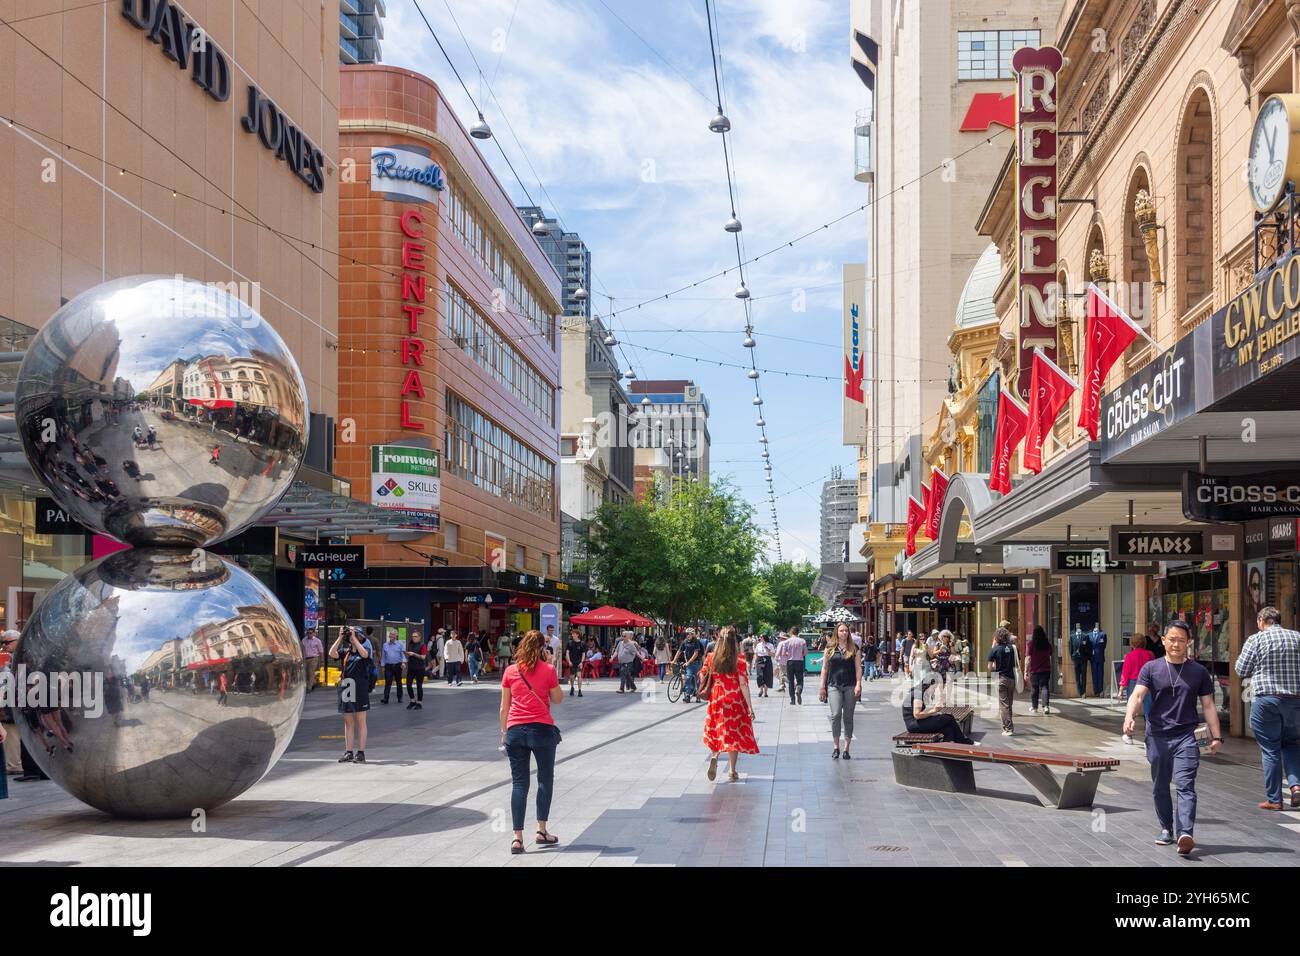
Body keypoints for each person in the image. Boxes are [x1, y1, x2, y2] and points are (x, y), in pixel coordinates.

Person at [1124, 620, 1222, 855]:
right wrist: (1130, 717)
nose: (1176, 644)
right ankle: (1166, 828)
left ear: (1189, 642)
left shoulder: (1198, 672)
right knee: (1160, 785)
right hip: (1157, 735)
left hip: (1186, 736)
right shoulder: (1151, 668)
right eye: (1172, 639)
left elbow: (1208, 705)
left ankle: (1185, 833)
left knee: (1186, 785)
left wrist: (1216, 736)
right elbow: (1137, 696)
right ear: (1164, 641)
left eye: (1181, 640)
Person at [499, 629, 563, 854]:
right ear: (541, 649)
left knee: (519, 784)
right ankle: (541, 830)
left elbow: (504, 707)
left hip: (515, 731)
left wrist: (504, 732)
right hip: (542, 731)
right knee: (545, 780)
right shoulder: (549, 669)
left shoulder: (510, 671)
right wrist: (550, 664)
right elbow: (557, 699)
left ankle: (517, 838)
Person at [1234, 606, 1300, 810]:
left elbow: (1241, 669)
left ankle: (1274, 799)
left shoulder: (1256, 639)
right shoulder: (1297, 637)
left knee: (1270, 748)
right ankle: (1296, 786)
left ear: (1261, 621)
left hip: (1266, 701)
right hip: (1295, 701)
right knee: (1292, 744)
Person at [702, 626, 758, 782]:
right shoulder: (739, 659)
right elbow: (743, 684)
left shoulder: (711, 657)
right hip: (734, 699)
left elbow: (703, 674)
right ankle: (732, 771)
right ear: (735, 641)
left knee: (716, 729)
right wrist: (750, 707)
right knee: (733, 734)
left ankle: (715, 755)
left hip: (717, 698)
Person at [819, 623, 862, 759]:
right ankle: (836, 747)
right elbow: (824, 669)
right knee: (836, 714)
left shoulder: (854, 648)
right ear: (836, 632)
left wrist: (858, 684)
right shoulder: (829, 648)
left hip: (850, 685)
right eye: (841, 630)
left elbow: (858, 668)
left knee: (848, 717)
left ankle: (846, 749)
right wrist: (822, 687)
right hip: (833, 685)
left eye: (846, 631)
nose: (844, 633)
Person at [331, 626, 372, 763]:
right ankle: (349, 752)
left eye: (355, 635)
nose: (352, 638)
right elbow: (332, 653)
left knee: (361, 720)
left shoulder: (364, 651)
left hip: (360, 687)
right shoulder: (345, 652)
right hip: (347, 686)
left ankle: (361, 753)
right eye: (351, 636)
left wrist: (355, 638)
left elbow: (365, 655)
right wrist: (340, 637)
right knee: (348, 721)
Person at [902, 676, 973, 744]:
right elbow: (917, 715)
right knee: (949, 718)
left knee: (948, 729)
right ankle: (962, 740)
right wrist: (934, 710)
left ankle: (947, 747)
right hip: (914, 725)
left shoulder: (919, 692)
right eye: (934, 688)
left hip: (916, 723)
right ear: (928, 685)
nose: (934, 690)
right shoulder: (918, 693)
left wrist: (933, 713)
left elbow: (920, 713)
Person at [1120, 632, 1156, 743]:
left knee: (1132, 710)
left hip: (1133, 682)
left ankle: (1128, 735)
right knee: (1148, 711)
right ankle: (1149, 738)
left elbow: (1125, 673)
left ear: (1132, 643)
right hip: (1148, 684)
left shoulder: (1129, 656)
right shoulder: (1150, 655)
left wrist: (1121, 689)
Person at [987, 626, 1018, 736]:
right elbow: (1016, 662)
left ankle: (1008, 729)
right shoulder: (1012, 648)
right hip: (1012, 679)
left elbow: (990, 667)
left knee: (1004, 705)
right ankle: (1010, 727)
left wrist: (997, 667)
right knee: (1009, 704)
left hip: (1001, 679)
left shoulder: (994, 650)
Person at [1027, 625, 1053, 715]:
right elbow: (1050, 655)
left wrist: (1025, 671)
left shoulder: (1030, 644)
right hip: (1046, 669)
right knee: (1044, 687)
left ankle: (1034, 707)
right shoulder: (1047, 644)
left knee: (1034, 688)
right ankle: (1046, 706)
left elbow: (1028, 659)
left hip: (1034, 670)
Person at [672, 629, 705, 703]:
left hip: (697, 663)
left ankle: (698, 696)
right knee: (688, 678)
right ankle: (687, 696)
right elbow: (679, 651)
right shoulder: (685, 642)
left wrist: (688, 662)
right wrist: (674, 661)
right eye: (687, 634)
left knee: (697, 680)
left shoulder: (696, 642)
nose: (688, 635)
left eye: (690, 634)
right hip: (689, 665)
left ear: (693, 634)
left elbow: (696, 653)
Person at [379, 629, 405, 705]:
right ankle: (385, 698)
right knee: (388, 683)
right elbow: (383, 656)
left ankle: (400, 697)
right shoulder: (385, 645)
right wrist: (383, 666)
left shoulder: (400, 644)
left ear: (396, 636)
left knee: (399, 682)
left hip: (397, 665)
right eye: (390, 634)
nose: (391, 636)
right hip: (388, 666)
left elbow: (402, 654)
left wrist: (403, 662)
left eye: (393, 634)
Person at [783, 629, 808, 705]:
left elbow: (784, 653)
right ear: (798, 632)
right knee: (800, 679)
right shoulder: (802, 641)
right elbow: (806, 653)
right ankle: (799, 690)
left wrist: (789, 654)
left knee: (791, 681)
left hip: (790, 662)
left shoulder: (786, 642)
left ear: (791, 632)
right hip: (799, 662)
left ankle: (792, 700)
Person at [613, 629, 642, 694]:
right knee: (627, 674)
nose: (623, 637)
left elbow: (637, 652)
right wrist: (612, 657)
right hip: (622, 662)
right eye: (622, 636)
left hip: (630, 661)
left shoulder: (633, 643)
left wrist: (642, 658)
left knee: (624, 672)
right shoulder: (620, 642)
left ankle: (621, 688)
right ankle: (633, 687)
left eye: (624, 636)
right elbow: (616, 650)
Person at [405, 631, 428, 709]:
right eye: (412, 636)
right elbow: (408, 655)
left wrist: (414, 654)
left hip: (420, 668)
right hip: (411, 667)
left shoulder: (423, 645)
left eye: (415, 636)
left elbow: (423, 657)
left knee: (419, 686)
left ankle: (419, 703)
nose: (413, 638)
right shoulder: (410, 644)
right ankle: (412, 701)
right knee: (408, 685)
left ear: (419, 637)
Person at [1069, 623, 1091, 696]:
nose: (1078, 627)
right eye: (1077, 626)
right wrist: (1072, 656)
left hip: (1083, 658)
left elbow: (1088, 647)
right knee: (1077, 675)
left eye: (1079, 626)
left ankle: (1083, 691)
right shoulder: (1072, 637)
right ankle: (1079, 691)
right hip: (1076, 659)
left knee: (1084, 675)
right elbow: (1070, 648)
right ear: (1075, 627)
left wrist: (1087, 656)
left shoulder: (1085, 636)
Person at [301, 629, 324, 693]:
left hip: (314, 658)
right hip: (305, 658)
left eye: (310, 633)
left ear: (314, 633)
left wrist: (321, 659)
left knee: (311, 672)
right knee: (306, 673)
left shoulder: (317, 641)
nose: (309, 634)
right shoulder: (304, 640)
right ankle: (313, 683)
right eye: (307, 633)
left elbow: (321, 651)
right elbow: (302, 649)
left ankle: (309, 688)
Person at [1089, 623, 1108, 698]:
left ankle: (1100, 690)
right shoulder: (1089, 635)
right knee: (1094, 674)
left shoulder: (1103, 635)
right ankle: (1095, 691)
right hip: (1092, 658)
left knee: (1100, 674)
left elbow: (1104, 646)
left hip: (1100, 657)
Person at [566, 632, 586, 696]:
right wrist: (569, 661)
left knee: (579, 675)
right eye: (572, 634)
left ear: (577, 635)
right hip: (572, 662)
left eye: (574, 634)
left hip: (578, 662)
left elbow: (583, 653)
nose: (573, 635)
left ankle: (579, 690)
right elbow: (567, 653)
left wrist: (582, 662)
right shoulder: (570, 643)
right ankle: (572, 687)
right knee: (572, 676)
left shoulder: (582, 643)